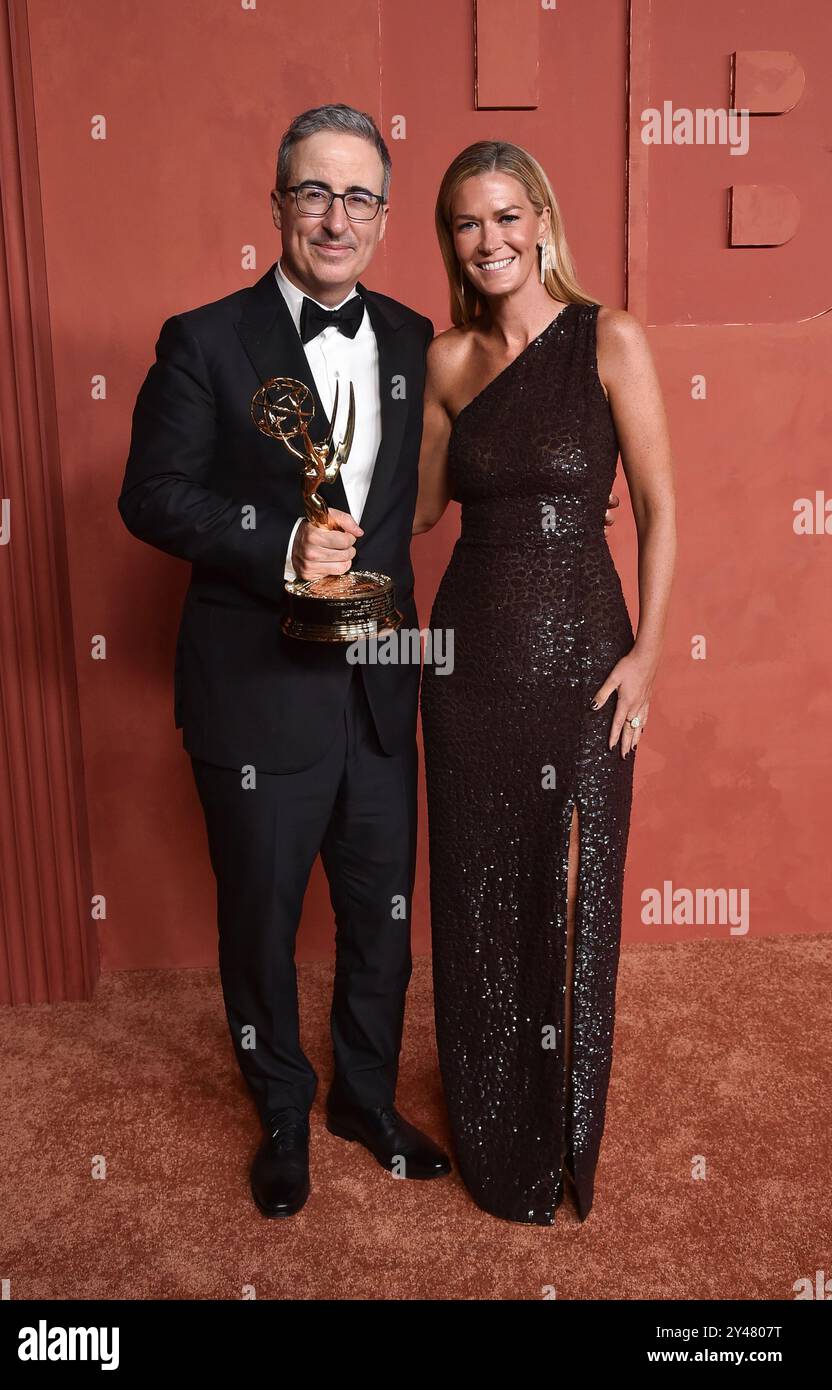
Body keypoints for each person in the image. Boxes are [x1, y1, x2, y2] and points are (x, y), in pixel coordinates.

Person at [117, 105, 457, 1218]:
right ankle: (280, 1109)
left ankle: (362, 1096)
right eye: (314, 191)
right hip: (257, 694)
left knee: (382, 915)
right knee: (259, 923)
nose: (336, 216)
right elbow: (149, 495)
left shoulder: (414, 338)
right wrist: (280, 546)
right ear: (277, 204)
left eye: (359, 196)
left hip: (378, 692)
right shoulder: (203, 338)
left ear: (385, 216)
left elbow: (431, 491)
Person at [416, 141, 676, 1224]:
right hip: (469, 656)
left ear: (542, 220)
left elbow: (661, 510)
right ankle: (495, 1127)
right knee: (480, 891)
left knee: (577, 887)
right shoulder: (443, 362)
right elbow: (420, 513)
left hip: (585, 655)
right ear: (452, 241)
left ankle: (567, 1127)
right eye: (469, 224)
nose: (491, 241)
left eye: (507, 217)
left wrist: (649, 653)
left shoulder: (609, 337)